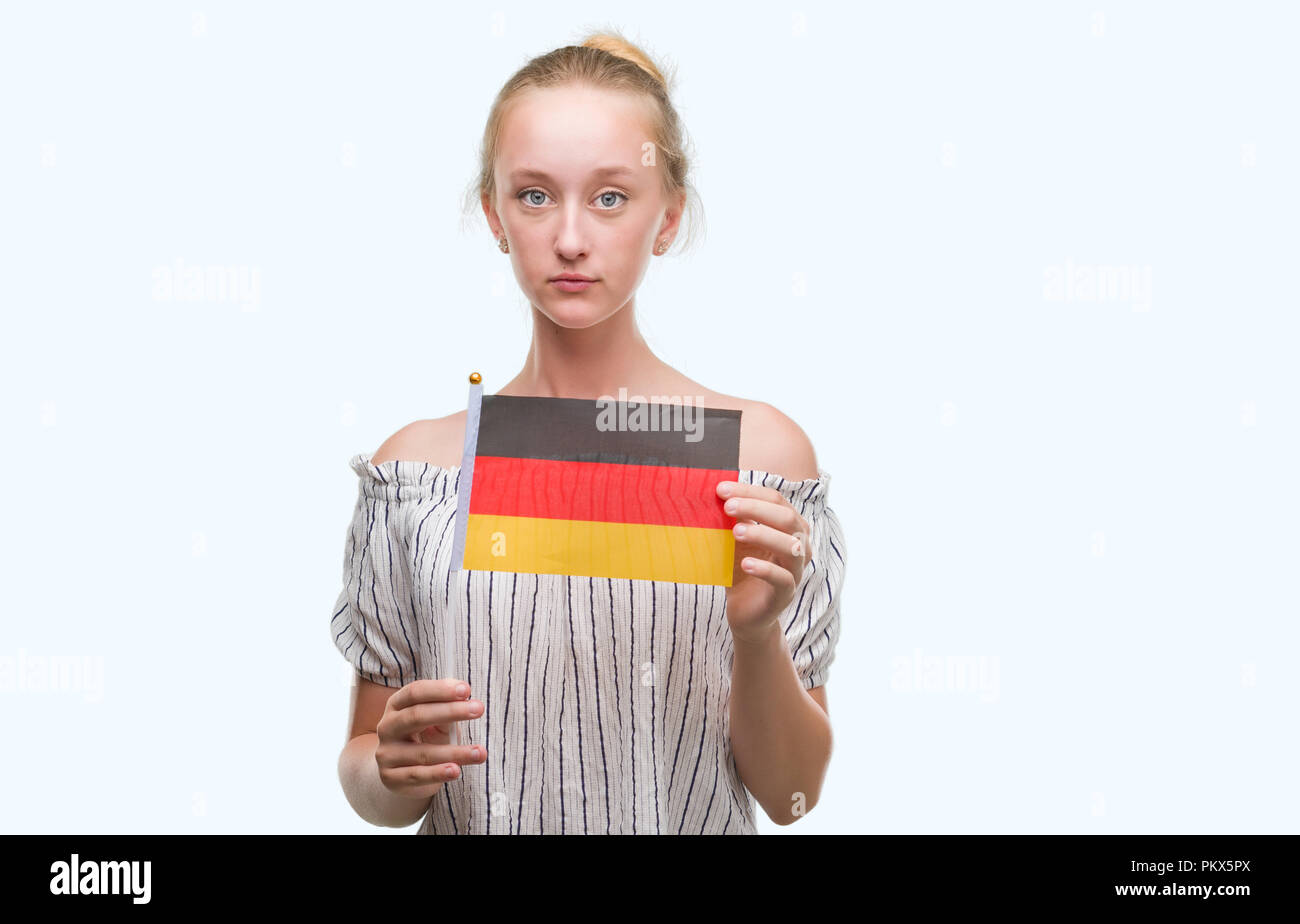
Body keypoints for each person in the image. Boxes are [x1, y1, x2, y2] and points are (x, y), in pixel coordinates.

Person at [331, 31, 848, 834]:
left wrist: (755, 637)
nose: (570, 238)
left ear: (668, 217)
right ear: (494, 214)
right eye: (535, 195)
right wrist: (390, 768)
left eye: (610, 197)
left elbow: (793, 794)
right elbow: (370, 776)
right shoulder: (417, 474)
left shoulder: (760, 464)